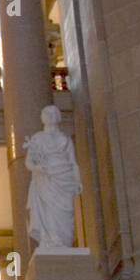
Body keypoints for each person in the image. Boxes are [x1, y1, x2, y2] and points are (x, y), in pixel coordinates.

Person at [23, 104, 82, 250]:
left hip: (65, 179)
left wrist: (78, 180)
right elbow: (28, 162)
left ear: (58, 117)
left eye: (53, 113)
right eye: (46, 113)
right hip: (46, 180)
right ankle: (50, 240)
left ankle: (64, 242)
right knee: (48, 211)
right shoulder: (37, 139)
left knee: (66, 215)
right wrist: (37, 168)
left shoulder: (66, 139)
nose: (50, 116)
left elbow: (73, 162)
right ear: (42, 118)